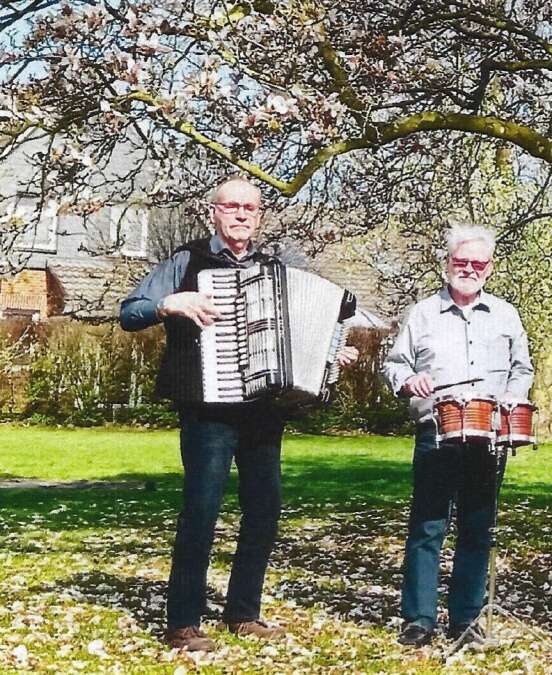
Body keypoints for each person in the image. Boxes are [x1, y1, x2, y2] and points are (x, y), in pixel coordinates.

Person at [119, 177, 357, 652]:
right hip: (207, 407)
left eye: (251, 208)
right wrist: (170, 304)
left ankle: (243, 612)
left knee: (263, 512)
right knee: (201, 510)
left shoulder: (278, 267)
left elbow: (323, 325)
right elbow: (129, 312)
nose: (242, 215)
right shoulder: (187, 261)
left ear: (260, 216)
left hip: (264, 411)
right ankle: (183, 622)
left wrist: (331, 356)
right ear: (214, 213)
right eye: (232, 207)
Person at [382, 224, 534, 647]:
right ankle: (418, 620)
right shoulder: (423, 313)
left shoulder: (506, 316)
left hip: (488, 435)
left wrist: (511, 395)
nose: (468, 269)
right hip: (436, 432)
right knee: (428, 525)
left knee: (477, 527)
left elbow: (523, 368)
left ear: (490, 268)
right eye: (460, 261)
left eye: (477, 263)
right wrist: (409, 380)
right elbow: (393, 365)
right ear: (447, 263)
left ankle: (466, 620)